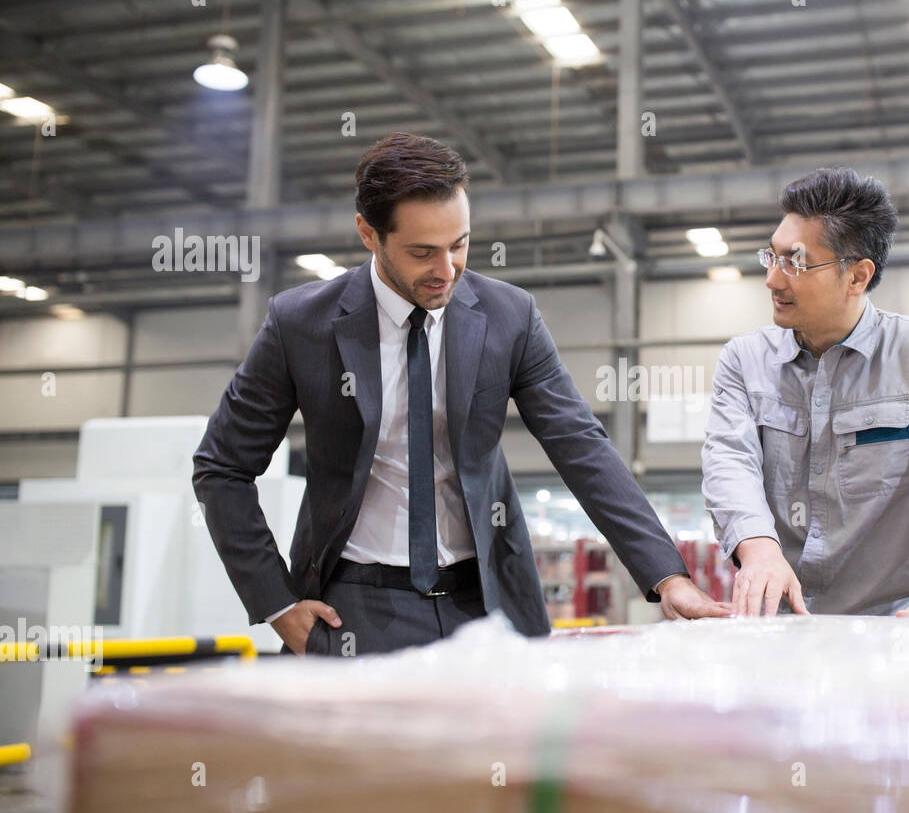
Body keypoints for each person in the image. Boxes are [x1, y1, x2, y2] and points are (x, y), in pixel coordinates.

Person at [194, 132, 726, 656]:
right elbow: (222, 466)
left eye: (459, 245)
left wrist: (667, 575)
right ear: (368, 234)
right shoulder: (300, 324)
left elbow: (580, 444)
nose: (446, 271)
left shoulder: (509, 317)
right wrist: (279, 604)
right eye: (423, 252)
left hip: (488, 604)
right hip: (352, 609)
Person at [701, 167, 909, 618]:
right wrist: (758, 548)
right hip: (781, 626)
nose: (772, 279)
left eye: (795, 262)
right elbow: (730, 462)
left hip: (898, 626)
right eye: (771, 257)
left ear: (857, 277)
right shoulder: (744, 361)